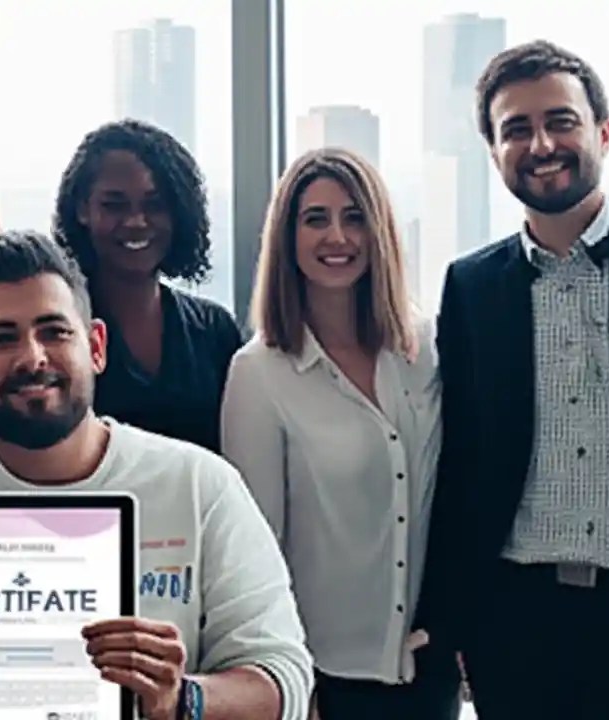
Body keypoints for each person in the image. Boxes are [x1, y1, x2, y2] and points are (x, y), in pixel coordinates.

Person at [0, 230, 313, 720]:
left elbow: (284, 680)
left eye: (54, 331)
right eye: (0, 338)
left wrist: (181, 700)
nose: (32, 358)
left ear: (96, 347)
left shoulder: (199, 486)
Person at [421, 40, 609, 719]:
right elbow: (462, 463)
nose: (541, 144)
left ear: (603, 132)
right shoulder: (471, 286)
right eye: (516, 129)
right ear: (494, 152)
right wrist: (457, 618)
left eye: (560, 121)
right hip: (513, 620)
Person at [221, 147, 460, 719]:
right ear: (288, 237)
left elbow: (457, 494)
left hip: (430, 666)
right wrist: (290, 685)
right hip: (325, 679)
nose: (338, 236)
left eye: (355, 217)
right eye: (316, 219)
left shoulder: (427, 348)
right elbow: (257, 552)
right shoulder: (259, 373)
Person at [52, 119, 242, 453]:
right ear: (83, 210)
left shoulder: (214, 331)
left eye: (155, 205)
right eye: (114, 205)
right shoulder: (57, 332)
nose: (136, 221)